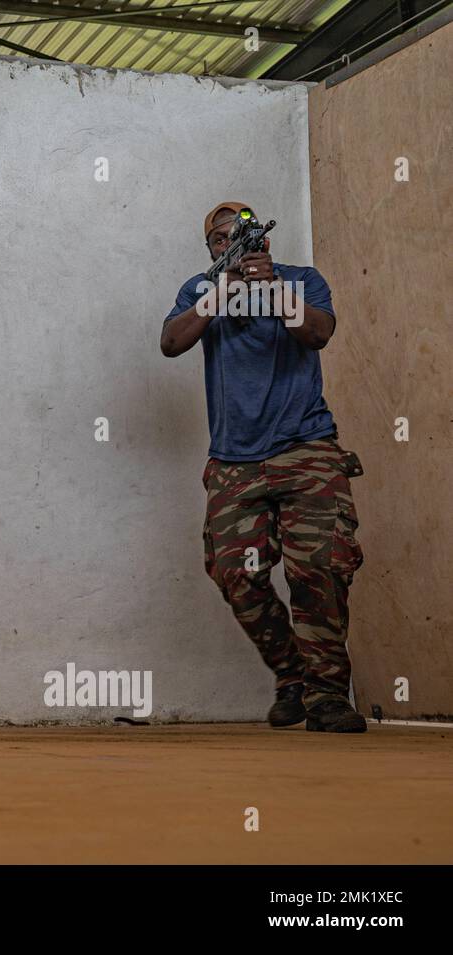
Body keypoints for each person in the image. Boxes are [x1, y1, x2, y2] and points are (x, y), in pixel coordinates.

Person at [160, 200, 367, 733]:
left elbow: (317, 333)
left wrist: (273, 289)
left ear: (264, 241)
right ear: (209, 249)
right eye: (219, 239)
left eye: (243, 235)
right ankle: (293, 674)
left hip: (308, 451)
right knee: (236, 574)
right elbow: (172, 343)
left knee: (318, 571)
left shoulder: (301, 281)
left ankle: (327, 696)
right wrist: (224, 289)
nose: (232, 243)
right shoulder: (200, 289)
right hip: (234, 460)